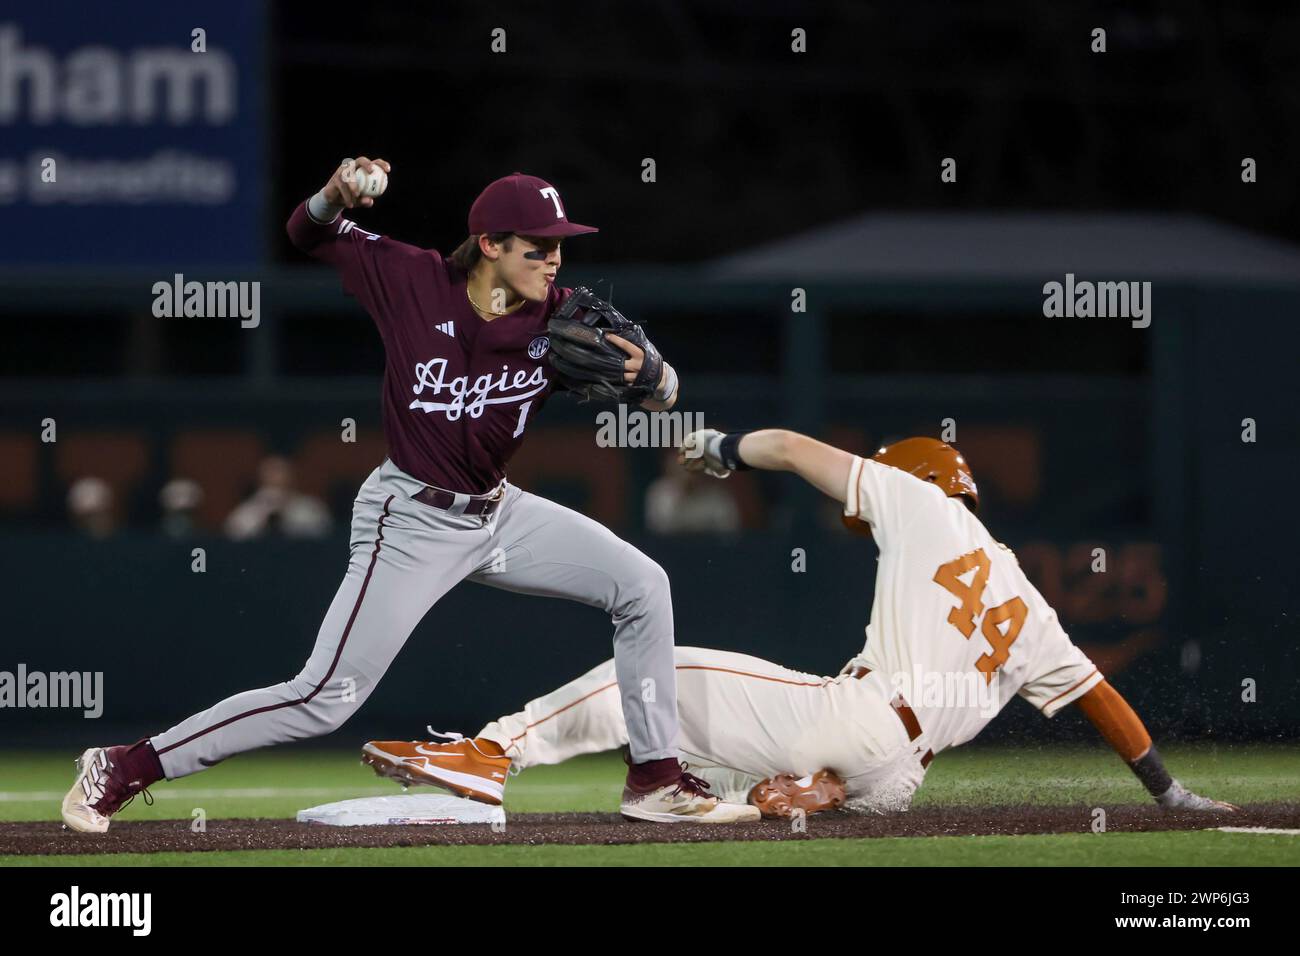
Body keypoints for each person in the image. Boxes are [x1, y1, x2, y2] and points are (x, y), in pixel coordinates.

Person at [60, 159, 757, 833]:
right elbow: (306, 234)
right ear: (489, 244)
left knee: (642, 584)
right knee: (323, 697)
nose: (554, 260)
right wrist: (333, 195)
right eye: (538, 247)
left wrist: (657, 377)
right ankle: (123, 765)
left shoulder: (563, 314)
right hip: (412, 517)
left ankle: (657, 780)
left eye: (560, 247)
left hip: (500, 511)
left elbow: (661, 388)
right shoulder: (410, 277)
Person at [361, 433, 1236, 817]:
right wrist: (1168, 790)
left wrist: (724, 447)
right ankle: (802, 792)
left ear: (927, 480)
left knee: (650, 674)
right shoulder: (1030, 602)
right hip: (901, 776)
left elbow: (788, 449)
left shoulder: (917, 499)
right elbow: (1102, 701)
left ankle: (491, 753)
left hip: (857, 718)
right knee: (700, 770)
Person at [224, 456, 331, 540]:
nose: (277, 478)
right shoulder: (246, 512)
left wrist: (287, 516)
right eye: (271, 474)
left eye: (281, 473)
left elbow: (323, 534)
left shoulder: (311, 508)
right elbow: (233, 536)